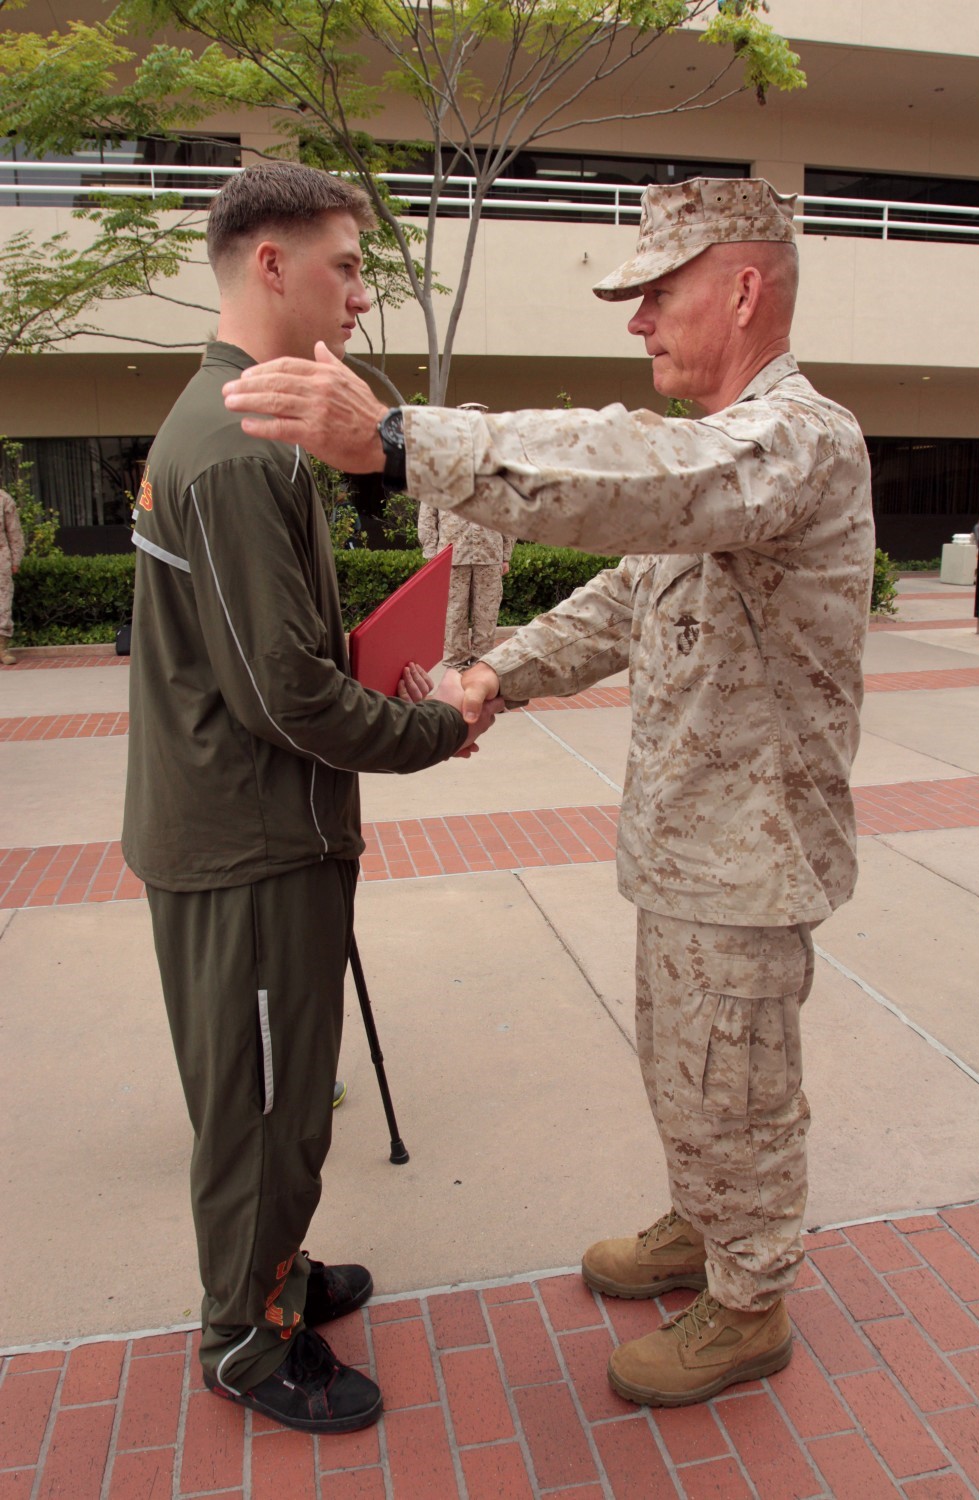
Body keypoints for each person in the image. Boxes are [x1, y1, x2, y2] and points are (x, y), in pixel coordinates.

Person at [222, 175, 875, 1408]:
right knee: (689, 1069)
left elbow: (626, 471)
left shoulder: (793, 441)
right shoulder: (723, 467)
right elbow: (627, 597)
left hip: (750, 855)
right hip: (692, 844)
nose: (636, 322)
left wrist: (406, 440)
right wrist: (489, 678)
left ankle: (749, 1305)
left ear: (741, 289)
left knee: (733, 1080)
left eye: (657, 294)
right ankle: (703, 1225)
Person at [122, 161, 499, 1437]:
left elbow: (273, 658)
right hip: (250, 840)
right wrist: (433, 725)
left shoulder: (246, 428)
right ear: (269, 265)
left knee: (279, 1087)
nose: (358, 293)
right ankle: (244, 1334)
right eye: (344, 264)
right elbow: (282, 697)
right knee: (262, 1099)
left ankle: (275, 1272)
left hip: (256, 829)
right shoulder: (232, 452)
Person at [417, 479, 515, 667]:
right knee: (453, 615)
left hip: (489, 554)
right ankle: (455, 666)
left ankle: (482, 664)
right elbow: (427, 514)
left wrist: (506, 554)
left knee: (487, 614)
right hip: (452, 555)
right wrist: (431, 554)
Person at [0, 485, 25, 666]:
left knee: (3, 603)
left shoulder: (4, 499)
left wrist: (16, 560)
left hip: (1, 559)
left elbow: (14, 531)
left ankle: (2, 647)